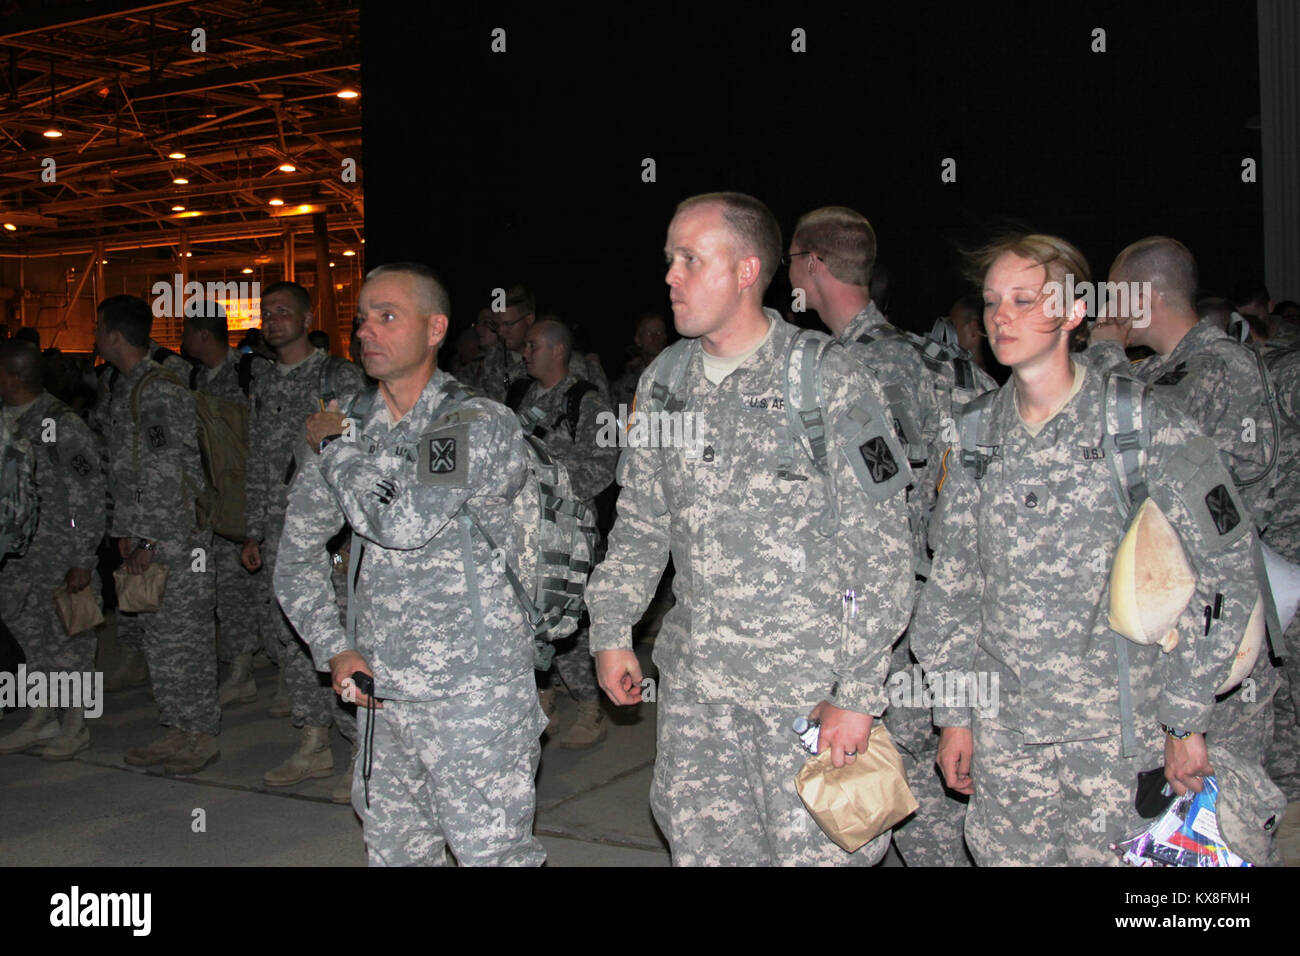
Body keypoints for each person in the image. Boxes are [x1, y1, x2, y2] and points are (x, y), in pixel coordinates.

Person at [587, 192, 915, 866]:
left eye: (690, 259)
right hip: (700, 698)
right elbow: (643, 523)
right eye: (669, 260)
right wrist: (612, 628)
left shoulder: (825, 377)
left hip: (806, 698)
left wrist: (857, 693)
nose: (671, 275)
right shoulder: (665, 382)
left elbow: (880, 549)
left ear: (746, 270)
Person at [911, 234, 1258, 865]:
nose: (1000, 317)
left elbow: (1229, 569)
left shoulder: (1142, 425)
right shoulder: (973, 436)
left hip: (1119, 742)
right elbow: (953, 586)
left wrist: (1185, 718)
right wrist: (954, 712)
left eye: (1022, 299)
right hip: (1007, 742)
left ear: (1073, 313)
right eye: (991, 302)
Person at [273, 261, 546, 866]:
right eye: (361, 319)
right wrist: (333, 646)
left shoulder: (473, 422)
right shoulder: (346, 422)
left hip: (475, 694)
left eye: (388, 316)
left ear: (435, 328)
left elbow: (403, 522)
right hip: (380, 694)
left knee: (492, 855)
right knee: (395, 854)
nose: (367, 331)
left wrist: (336, 447)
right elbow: (293, 555)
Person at [789, 205, 986, 867]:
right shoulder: (927, 356)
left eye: (791, 261)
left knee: (896, 805)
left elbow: (866, 516)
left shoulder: (847, 370)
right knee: (926, 796)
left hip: (889, 621)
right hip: (942, 610)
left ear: (812, 265)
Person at [1085, 237, 1282, 777]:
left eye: (1113, 293)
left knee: (1223, 815)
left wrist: (1105, 355)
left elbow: (1153, 453)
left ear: (1141, 295)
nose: (1106, 309)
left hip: (1216, 619)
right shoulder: (1155, 370)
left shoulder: (1221, 366)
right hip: (1164, 609)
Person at [240, 280, 364, 789]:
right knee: (294, 639)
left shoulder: (338, 375)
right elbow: (255, 458)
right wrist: (252, 528)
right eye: (266, 312)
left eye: (283, 311)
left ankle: (363, 752)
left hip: (330, 535)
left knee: (343, 640)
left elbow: (356, 457)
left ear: (308, 316)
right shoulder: (264, 381)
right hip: (277, 530)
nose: (272, 320)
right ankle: (312, 741)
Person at [95, 294, 220, 775]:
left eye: (99, 328)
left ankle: (201, 734)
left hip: (175, 538)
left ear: (114, 334)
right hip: (149, 534)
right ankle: (177, 729)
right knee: (162, 641)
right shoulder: (130, 386)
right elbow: (131, 471)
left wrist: (147, 538)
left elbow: (168, 470)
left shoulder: (159, 391)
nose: (95, 338)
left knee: (184, 639)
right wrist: (127, 531)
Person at [0, 341, 105, 758]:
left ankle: (75, 723)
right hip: (17, 557)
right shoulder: (7, 421)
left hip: (59, 555)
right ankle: (42, 716)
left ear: (14, 376)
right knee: (30, 638)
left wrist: (83, 559)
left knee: (69, 641)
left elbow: (89, 493)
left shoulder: (61, 424)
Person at [518, 319, 618, 747]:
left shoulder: (587, 402)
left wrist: (546, 485)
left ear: (558, 351)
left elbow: (603, 466)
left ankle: (590, 704)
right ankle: (543, 701)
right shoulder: (520, 398)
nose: (525, 352)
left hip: (568, 535)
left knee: (570, 619)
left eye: (533, 345)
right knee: (529, 617)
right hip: (525, 535)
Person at [179, 300, 265, 708]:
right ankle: (240, 666)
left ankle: (254, 669)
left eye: (186, 331)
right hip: (211, 501)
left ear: (201, 334)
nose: (182, 339)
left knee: (254, 592)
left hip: (247, 500)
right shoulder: (194, 378)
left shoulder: (249, 372)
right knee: (225, 591)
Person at [611, 312, 668, 411]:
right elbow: (621, 419)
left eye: (660, 332)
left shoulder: (679, 373)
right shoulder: (627, 384)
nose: (656, 338)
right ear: (638, 340)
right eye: (649, 333)